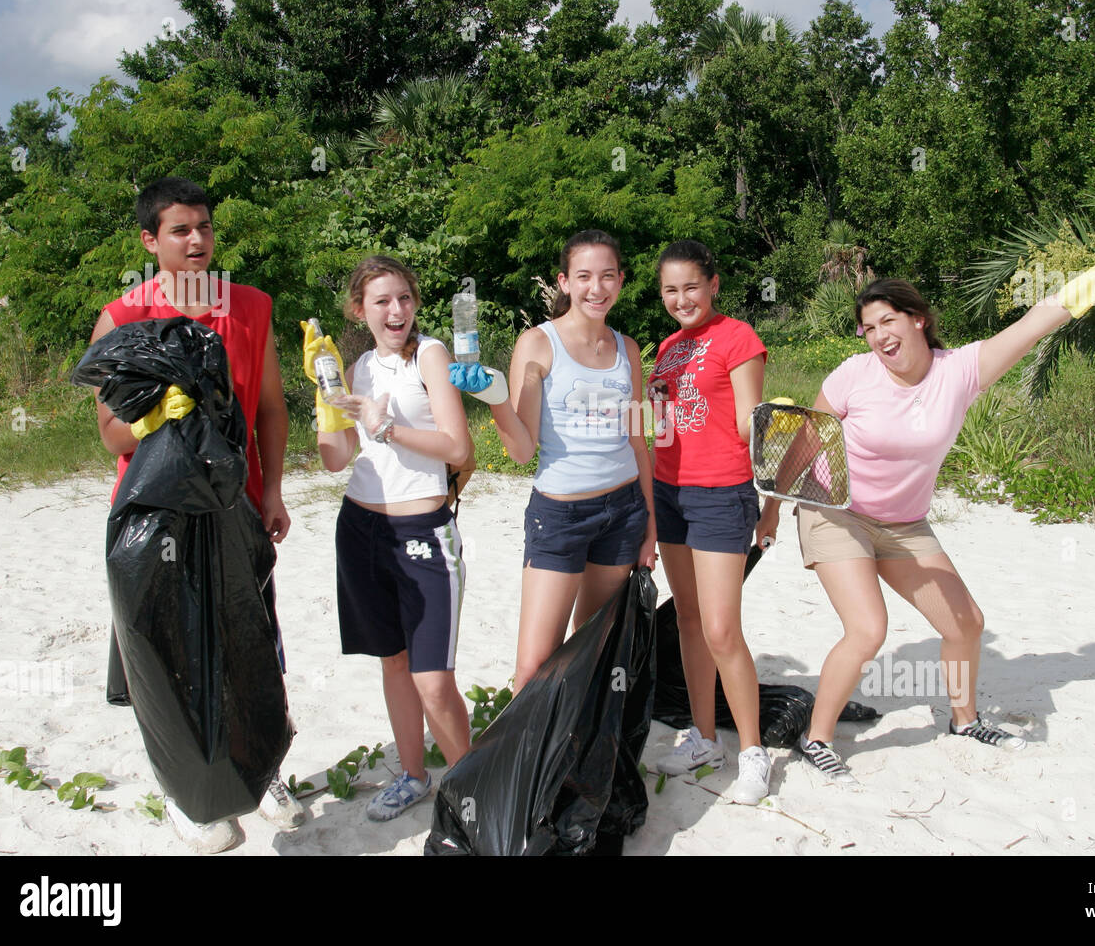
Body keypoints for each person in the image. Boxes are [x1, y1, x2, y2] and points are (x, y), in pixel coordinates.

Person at [757, 230, 1095, 780]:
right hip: (835, 511)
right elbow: (808, 441)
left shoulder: (962, 370)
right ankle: (818, 737)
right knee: (869, 628)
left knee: (966, 623)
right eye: (869, 327)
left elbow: (1037, 321)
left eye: (887, 321)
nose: (878, 336)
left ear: (918, 319)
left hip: (902, 523)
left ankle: (964, 720)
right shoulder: (853, 374)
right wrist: (772, 508)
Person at [89, 176, 299, 852]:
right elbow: (111, 436)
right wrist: (152, 417)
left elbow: (271, 408)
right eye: (179, 229)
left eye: (204, 226)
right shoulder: (124, 317)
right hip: (157, 519)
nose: (197, 239)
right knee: (169, 657)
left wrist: (272, 491)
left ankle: (263, 769)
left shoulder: (250, 306)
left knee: (253, 643)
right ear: (149, 241)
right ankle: (183, 793)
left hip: (236, 509)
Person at [306, 255, 474, 822]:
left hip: (422, 531)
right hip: (360, 528)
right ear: (360, 310)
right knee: (394, 662)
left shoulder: (430, 356)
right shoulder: (354, 368)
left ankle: (471, 794)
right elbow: (336, 460)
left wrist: (384, 426)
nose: (396, 310)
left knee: (434, 680)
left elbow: (457, 446)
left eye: (404, 297)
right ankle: (413, 776)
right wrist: (327, 404)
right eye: (381, 301)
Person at [452, 230, 657, 692]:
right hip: (561, 516)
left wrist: (650, 523)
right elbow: (522, 451)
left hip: (624, 511)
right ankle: (528, 742)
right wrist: (496, 399)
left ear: (621, 280)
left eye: (607, 276)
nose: (596, 288)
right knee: (534, 667)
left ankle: (578, 738)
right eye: (584, 276)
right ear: (564, 282)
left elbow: (638, 440)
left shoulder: (627, 349)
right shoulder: (537, 343)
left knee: (592, 647)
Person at [645, 240, 773, 805]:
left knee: (722, 630)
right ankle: (703, 739)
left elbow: (748, 422)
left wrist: (773, 428)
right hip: (668, 491)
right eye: (670, 290)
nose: (681, 299)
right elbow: (663, 427)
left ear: (713, 285)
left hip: (721, 494)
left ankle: (753, 751)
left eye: (691, 287)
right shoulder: (668, 348)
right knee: (689, 619)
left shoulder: (738, 338)